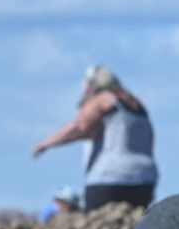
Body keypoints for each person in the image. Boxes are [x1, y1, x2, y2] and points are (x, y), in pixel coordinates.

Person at [32, 65, 158, 211]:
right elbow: (150, 140)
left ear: (92, 84)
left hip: (109, 177)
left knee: (98, 225)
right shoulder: (138, 106)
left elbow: (80, 127)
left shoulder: (104, 99)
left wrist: (45, 143)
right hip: (146, 179)